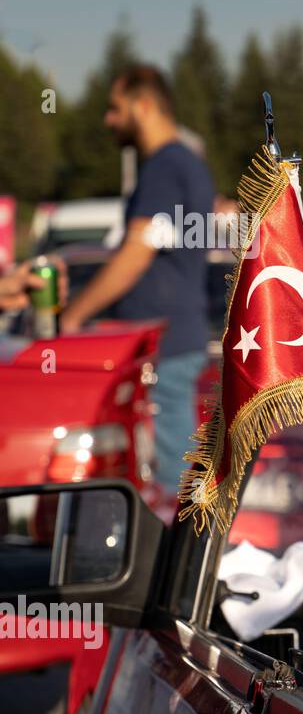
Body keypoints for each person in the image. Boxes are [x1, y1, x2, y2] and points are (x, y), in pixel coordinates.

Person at [61, 64, 213, 493]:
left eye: (115, 108)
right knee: (170, 480)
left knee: (169, 491)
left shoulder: (165, 166)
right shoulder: (185, 163)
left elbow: (135, 253)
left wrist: (74, 317)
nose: (108, 120)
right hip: (172, 342)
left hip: (161, 348)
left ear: (143, 106)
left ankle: (180, 560)